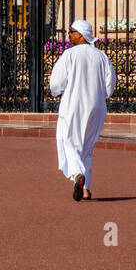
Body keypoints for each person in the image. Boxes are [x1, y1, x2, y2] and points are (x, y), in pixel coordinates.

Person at [48, 19, 117, 202]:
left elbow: (56, 83)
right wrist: (99, 96)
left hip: (73, 104)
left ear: (80, 34)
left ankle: (77, 174)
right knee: (87, 147)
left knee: (68, 140)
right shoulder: (101, 56)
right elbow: (110, 85)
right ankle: (85, 189)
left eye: (71, 31)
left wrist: (56, 92)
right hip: (96, 106)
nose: (69, 35)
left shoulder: (70, 55)